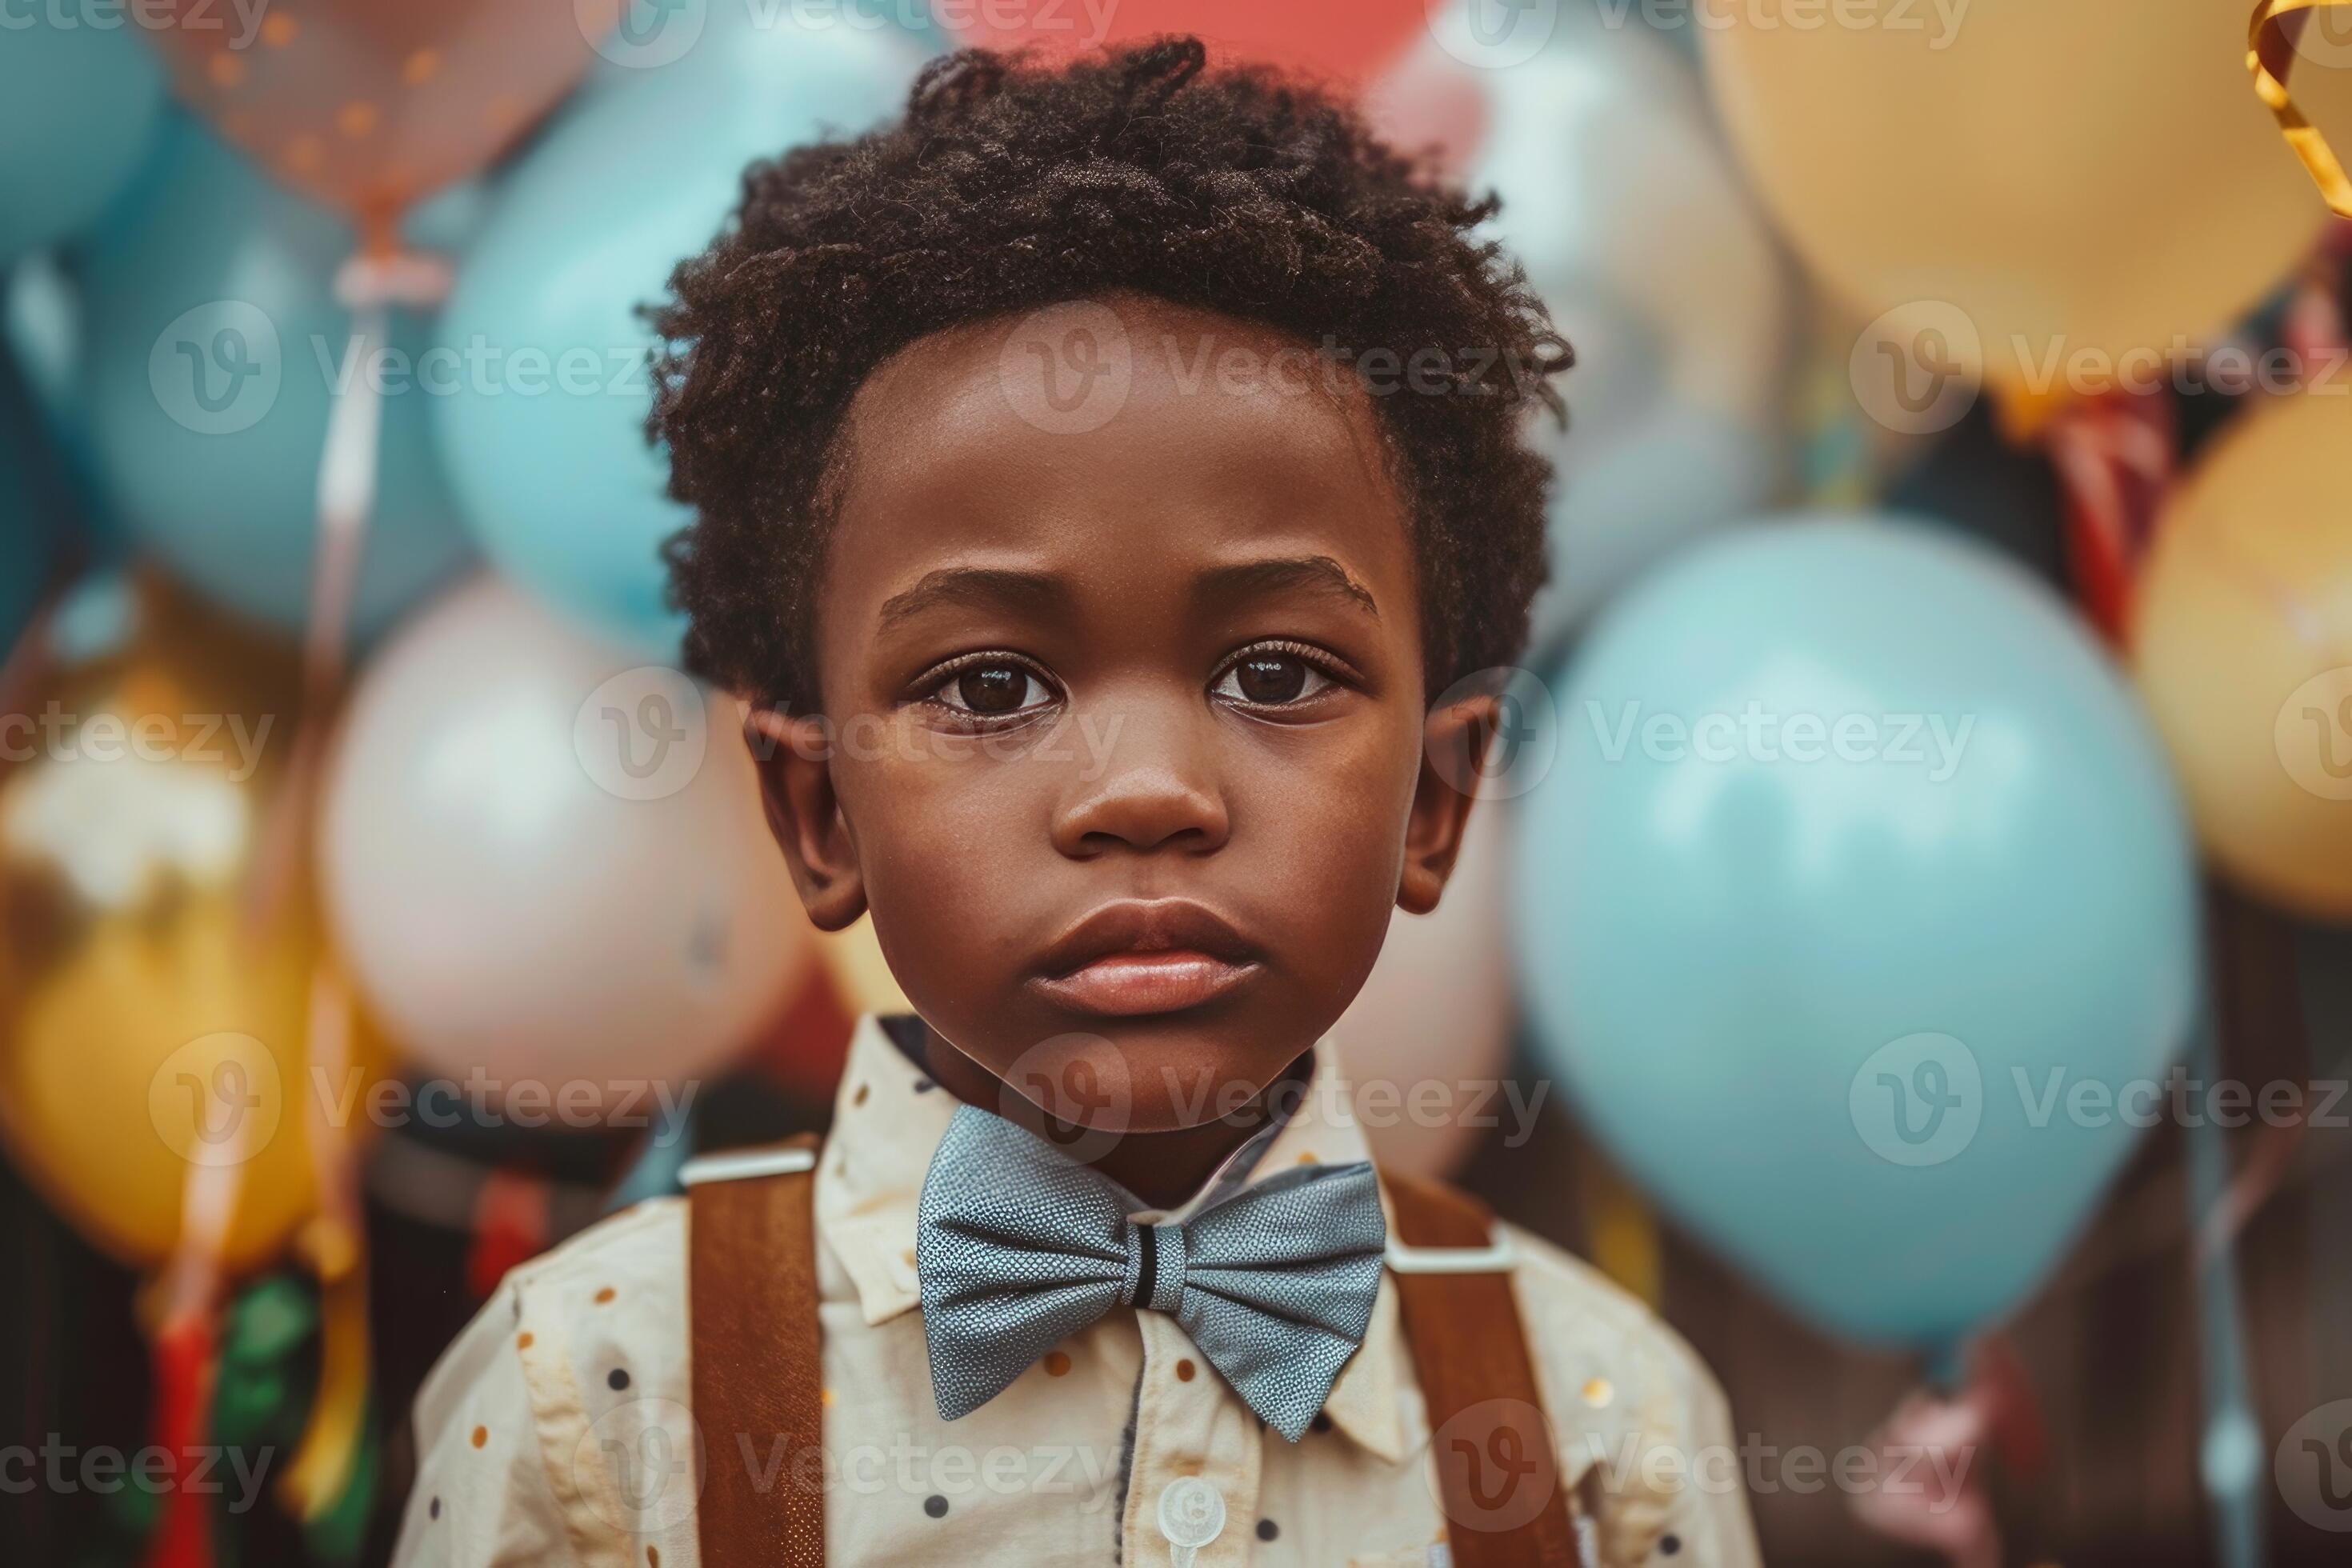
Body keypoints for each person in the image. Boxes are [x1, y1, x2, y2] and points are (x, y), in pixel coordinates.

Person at [394, 38, 1759, 1566]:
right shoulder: (594, 1397)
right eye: (988, 689)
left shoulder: (1605, 1429)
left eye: (1275, 672)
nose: (1149, 793)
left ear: (1437, 801)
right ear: (817, 813)